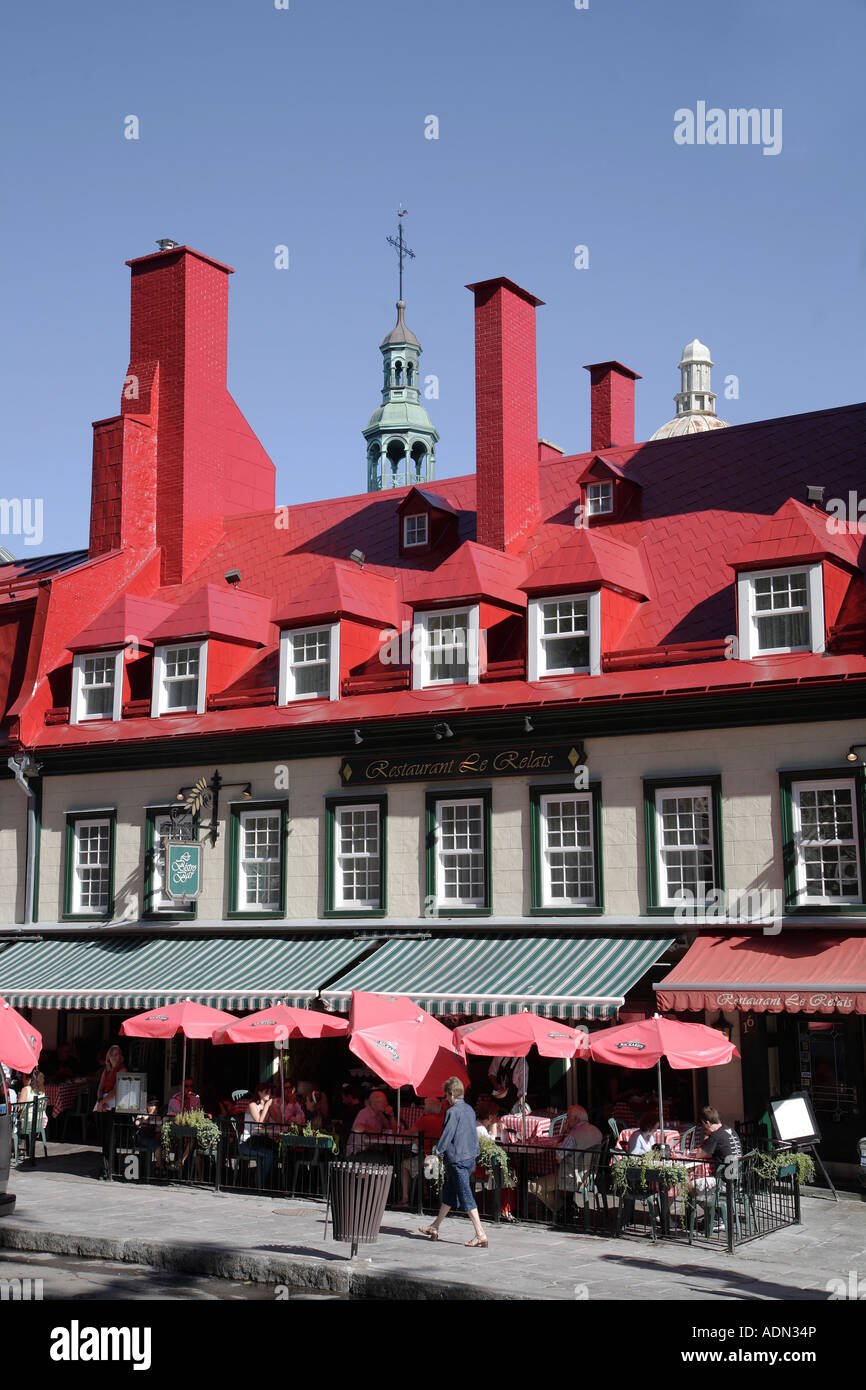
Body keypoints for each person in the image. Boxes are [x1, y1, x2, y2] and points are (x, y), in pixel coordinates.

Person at [418, 1077, 487, 1248]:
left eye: (446, 1096)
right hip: (468, 1157)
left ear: (451, 1094)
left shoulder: (452, 1112)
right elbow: (473, 1134)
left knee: (466, 1196)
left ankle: (480, 1234)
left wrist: (435, 1155)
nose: (446, 1100)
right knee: (449, 1195)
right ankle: (434, 1227)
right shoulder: (470, 1110)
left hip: (457, 1159)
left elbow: (447, 1135)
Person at [530, 1105, 604, 1213]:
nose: (566, 1120)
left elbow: (558, 1155)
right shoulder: (596, 1131)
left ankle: (562, 1210)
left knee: (534, 1186)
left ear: (576, 1119)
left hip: (572, 1177)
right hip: (590, 1175)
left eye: (568, 1117)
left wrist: (564, 1133)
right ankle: (568, 1205)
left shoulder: (573, 1135)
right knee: (555, 1183)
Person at [690, 1105, 744, 1206]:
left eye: (703, 1124)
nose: (703, 1127)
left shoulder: (716, 1135)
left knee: (689, 1187)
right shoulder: (730, 1130)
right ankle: (716, 1214)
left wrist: (706, 1136)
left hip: (724, 1182)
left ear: (707, 1123)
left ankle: (712, 1213)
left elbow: (699, 1154)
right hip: (737, 1179)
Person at [397, 1096, 445, 1208]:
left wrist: (402, 1132)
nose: (424, 1107)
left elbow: (410, 1132)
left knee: (404, 1164)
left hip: (428, 1160)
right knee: (417, 1162)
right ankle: (425, 1194)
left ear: (430, 1107)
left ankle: (405, 1199)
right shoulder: (445, 1120)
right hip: (442, 1160)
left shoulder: (425, 1120)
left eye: (425, 1104)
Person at [94, 1044, 125, 1180]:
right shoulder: (105, 1071)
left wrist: (103, 1102)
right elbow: (100, 1088)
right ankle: (106, 1166)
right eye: (112, 1055)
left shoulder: (122, 1070)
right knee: (103, 1138)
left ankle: (108, 1168)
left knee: (110, 1138)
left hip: (113, 1104)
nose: (114, 1057)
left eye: (117, 1054)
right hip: (103, 1104)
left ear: (120, 1056)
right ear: (108, 1057)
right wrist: (100, 1100)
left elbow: (116, 1090)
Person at [239, 1082, 276, 1188]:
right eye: (266, 1092)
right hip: (247, 1143)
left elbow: (275, 1120)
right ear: (259, 1093)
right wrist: (267, 1107)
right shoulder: (252, 1105)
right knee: (269, 1155)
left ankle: (266, 1182)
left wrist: (271, 1108)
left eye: (270, 1092)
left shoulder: (264, 1107)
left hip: (258, 1141)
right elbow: (259, 1122)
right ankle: (259, 1183)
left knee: (274, 1152)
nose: (269, 1094)